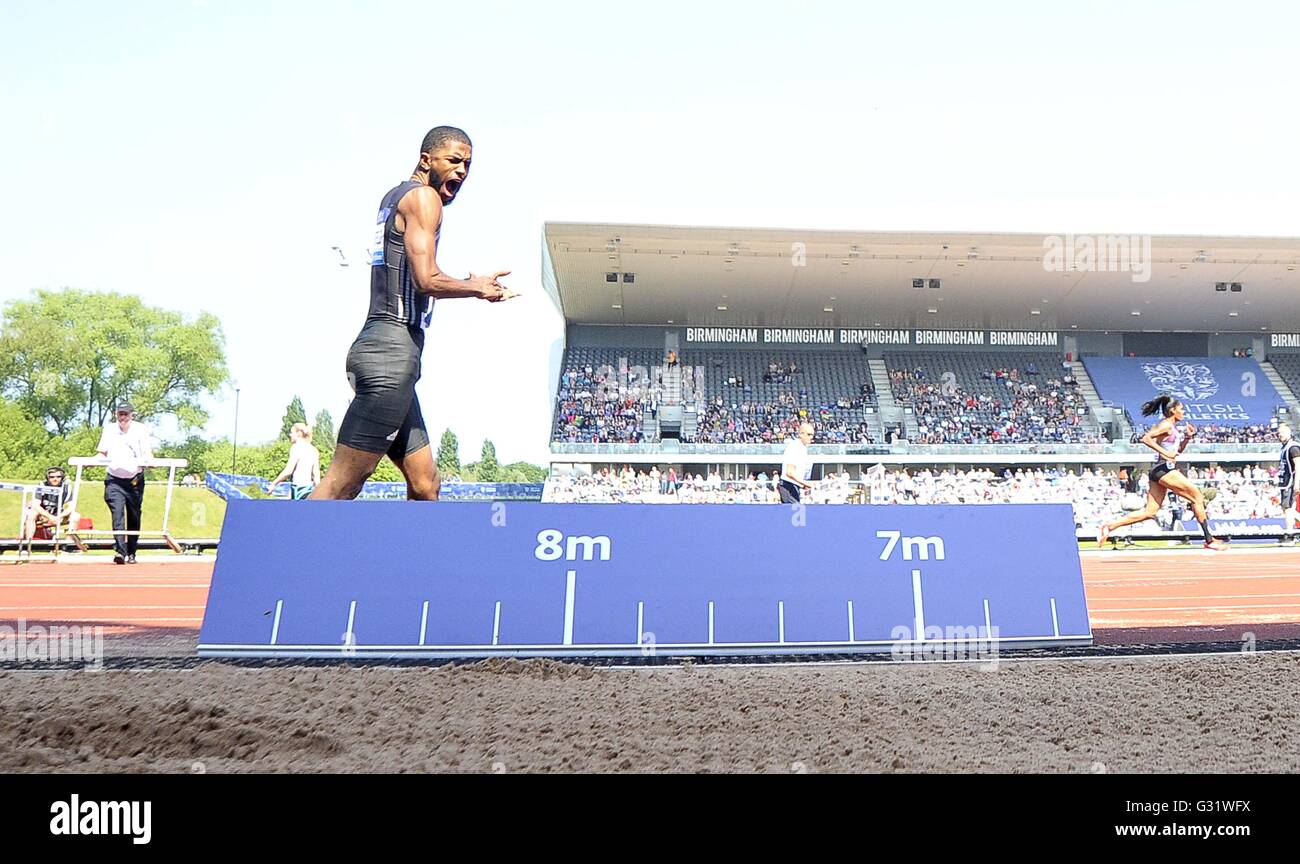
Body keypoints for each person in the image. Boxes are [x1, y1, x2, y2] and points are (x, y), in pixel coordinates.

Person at [310, 126, 518, 502]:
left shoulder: (395, 196)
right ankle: (282, 555)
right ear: (426, 160)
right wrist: (478, 288)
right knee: (342, 483)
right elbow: (426, 279)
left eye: (468, 164)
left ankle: (418, 562)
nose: (462, 172)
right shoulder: (424, 198)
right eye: (453, 161)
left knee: (426, 484)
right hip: (390, 355)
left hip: (390, 353)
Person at [1097, 395, 1227, 550]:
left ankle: (1109, 526)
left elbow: (1176, 451)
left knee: (1149, 512)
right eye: (1181, 409)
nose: (1184, 412)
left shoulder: (1173, 429)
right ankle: (1209, 540)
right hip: (1163, 469)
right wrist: (1165, 454)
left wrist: (1187, 438)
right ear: (1172, 410)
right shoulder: (1165, 425)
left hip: (1160, 470)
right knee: (1197, 497)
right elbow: (1146, 438)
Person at [97, 402, 153, 564]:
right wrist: (91, 461)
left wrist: (151, 461)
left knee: (134, 515)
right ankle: (120, 551)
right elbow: (102, 451)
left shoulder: (140, 429)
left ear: (131, 415)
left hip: (134, 479)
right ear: (116, 415)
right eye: (120, 414)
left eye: (125, 414)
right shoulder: (109, 429)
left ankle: (132, 551)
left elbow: (147, 452)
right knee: (117, 514)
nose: (122, 417)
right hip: (114, 479)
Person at [20, 466, 79, 551]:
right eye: (52, 477)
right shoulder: (41, 486)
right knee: (31, 514)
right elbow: (36, 505)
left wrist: (59, 516)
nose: (55, 479)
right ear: (47, 478)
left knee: (75, 516)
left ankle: (67, 546)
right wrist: (49, 516)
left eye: (58, 477)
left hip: (58, 516)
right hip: (43, 516)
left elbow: (71, 506)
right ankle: (27, 546)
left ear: (62, 478)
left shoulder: (67, 488)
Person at [268, 423, 322, 500]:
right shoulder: (314, 450)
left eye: (292, 432)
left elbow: (288, 471)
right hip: (308, 490)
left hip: (298, 490)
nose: (290, 435)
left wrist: (273, 484)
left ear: (298, 434)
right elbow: (316, 476)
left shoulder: (296, 448)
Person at [778, 422, 816, 504]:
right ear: (801, 434)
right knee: (794, 514)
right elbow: (790, 472)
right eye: (808, 434)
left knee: (796, 514)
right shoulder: (795, 447)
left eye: (812, 435)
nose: (811, 437)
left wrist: (802, 485)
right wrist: (806, 483)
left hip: (793, 486)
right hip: (788, 486)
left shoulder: (802, 448)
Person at [1275, 423, 1300, 543]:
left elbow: (1298, 466)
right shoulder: (1284, 448)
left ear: (1289, 433)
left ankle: (1290, 535)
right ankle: (1290, 534)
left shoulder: (1293, 447)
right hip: (1284, 482)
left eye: (1282, 433)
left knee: (1288, 508)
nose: (1280, 435)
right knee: (1286, 508)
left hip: (1290, 482)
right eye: (1278, 433)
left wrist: (1297, 483)